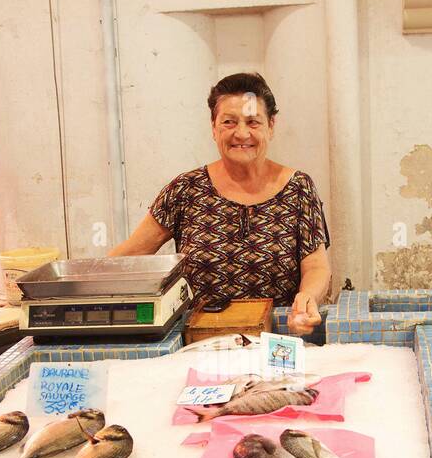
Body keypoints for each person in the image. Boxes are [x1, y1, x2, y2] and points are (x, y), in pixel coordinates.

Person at [109, 72, 330, 335]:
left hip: (278, 341)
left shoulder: (299, 188)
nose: (241, 133)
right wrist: (72, 288)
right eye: (229, 122)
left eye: (253, 122)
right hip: (201, 342)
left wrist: (307, 298)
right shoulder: (185, 189)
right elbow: (130, 256)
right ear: (214, 128)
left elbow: (316, 266)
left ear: (271, 125)